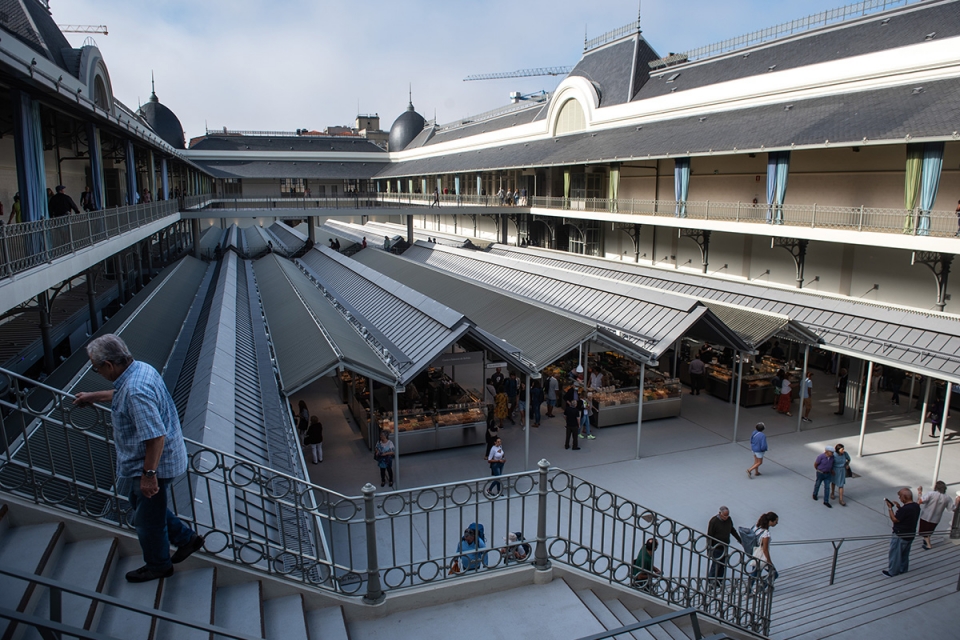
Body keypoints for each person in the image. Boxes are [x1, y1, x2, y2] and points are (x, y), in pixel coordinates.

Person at [73, 334, 203, 582]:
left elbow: (155, 437)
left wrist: (149, 476)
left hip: (154, 465)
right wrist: (94, 396)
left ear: (109, 365)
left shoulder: (135, 391)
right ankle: (188, 540)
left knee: (147, 522)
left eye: (96, 368)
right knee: (145, 506)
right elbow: (122, 394)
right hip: (164, 459)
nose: (96, 372)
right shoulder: (140, 369)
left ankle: (159, 565)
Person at [883, 487, 920, 577]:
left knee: (895, 554)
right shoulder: (916, 506)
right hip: (910, 534)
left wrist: (890, 509)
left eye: (900, 497)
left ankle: (892, 572)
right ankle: (903, 569)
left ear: (904, 497)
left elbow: (895, 519)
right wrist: (899, 507)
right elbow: (906, 516)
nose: (899, 498)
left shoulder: (905, 509)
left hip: (900, 535)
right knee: (905, 554)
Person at [917, 481, 960, 550]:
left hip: (925, 516)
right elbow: (953, 509)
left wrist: (920, 492)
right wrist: (957, 501)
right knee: (930, 530)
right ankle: (926, 540)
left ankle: (928, 545)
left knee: (924, 531)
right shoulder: (947, 498)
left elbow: (920, 501)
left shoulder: (931, 494)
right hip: (936, 518)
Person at [707, 506, 742, 584]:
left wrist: (740, 540)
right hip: (716, 547)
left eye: (727, 515)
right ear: (720, 513)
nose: (726, 517)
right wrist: (709, 548)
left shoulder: (729, 520)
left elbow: (732, 530)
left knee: (723, 565)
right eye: (724, 515)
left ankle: (719, 582)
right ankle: (710, 582)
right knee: (716, 565)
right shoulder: (714, 521)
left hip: (725, 546)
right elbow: (709, 535)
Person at [748, 512, 779, 589]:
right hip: (761, 555)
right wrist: (769, 562)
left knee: (754, 573)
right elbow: (765, 549)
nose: (776, 523)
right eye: (775, 521)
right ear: (770, 521)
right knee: (774, 573)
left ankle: (748, 591)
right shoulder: (766, 534)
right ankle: (760, 588)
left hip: (754, 553)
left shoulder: (756, 527)